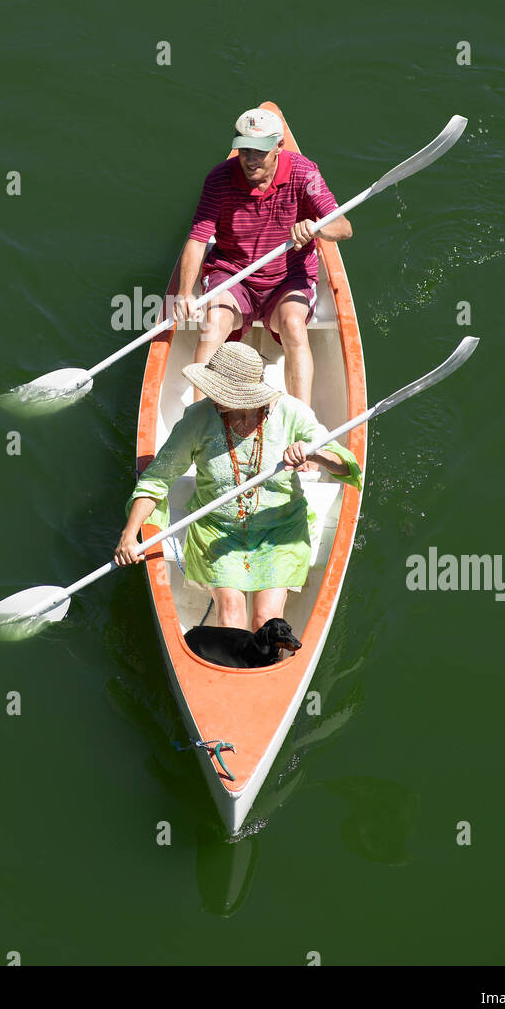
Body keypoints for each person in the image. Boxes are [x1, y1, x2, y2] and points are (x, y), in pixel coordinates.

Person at [113, 342, 362, 632]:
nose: (212, 397)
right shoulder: (198, 419)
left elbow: (346, 467)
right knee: (231, 615)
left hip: (280, 529)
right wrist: (129, 534)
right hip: (218, 531)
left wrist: (314, 453)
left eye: (221, 393)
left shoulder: (293, 413)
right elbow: (156, 480)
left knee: (266, 620)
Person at [174, 106, 351, 409]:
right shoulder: (219, 180)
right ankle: (198, 418)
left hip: (288, 278)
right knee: (213, 323)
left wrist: (317, 228)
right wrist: (182, 294)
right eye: (244, 150)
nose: (250, 159)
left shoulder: (304, 173)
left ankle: (301, 421)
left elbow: (343, 227)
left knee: (295, 326)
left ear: (279, 147)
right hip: (232, 274)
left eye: (260, 151)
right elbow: (198, 239)